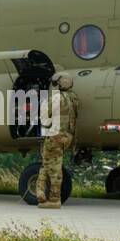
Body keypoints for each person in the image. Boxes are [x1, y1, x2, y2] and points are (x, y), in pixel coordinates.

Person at [36, 73, 78, 209]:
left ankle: (54, 199)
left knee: (53, 168)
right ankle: (40, 191)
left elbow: (43, 115)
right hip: (67, 137)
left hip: (55, 137)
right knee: (47, 163)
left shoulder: (56, 98)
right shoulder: (74, 99)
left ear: (60, 84)